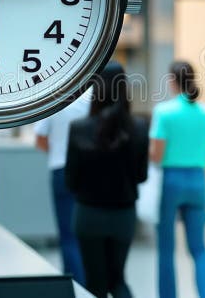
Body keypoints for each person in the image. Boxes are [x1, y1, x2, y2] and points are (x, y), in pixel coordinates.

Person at [65, 61, 148, 298]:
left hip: (88, 215)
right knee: (119, 280)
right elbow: (141, 176)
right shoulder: (139, 127)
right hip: (123, 215)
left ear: (96, 87)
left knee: (95, 284)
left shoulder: (79, 128)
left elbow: (71, 181)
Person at [150, 61, 205, 298]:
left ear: (172, 81)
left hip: (172, 181)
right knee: (199, 248)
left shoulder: (164, 112)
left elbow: (157, 155)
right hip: (199, 181)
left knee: (166, 248)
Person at [34, 87, 91, 285]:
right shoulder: (92, 95)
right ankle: (90, 284)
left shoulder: (53, 97)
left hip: (61, 170)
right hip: (88, 171)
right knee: (87, 233)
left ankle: (74, 285)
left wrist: (57, 151)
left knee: (68, 235)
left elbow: (40, 139)